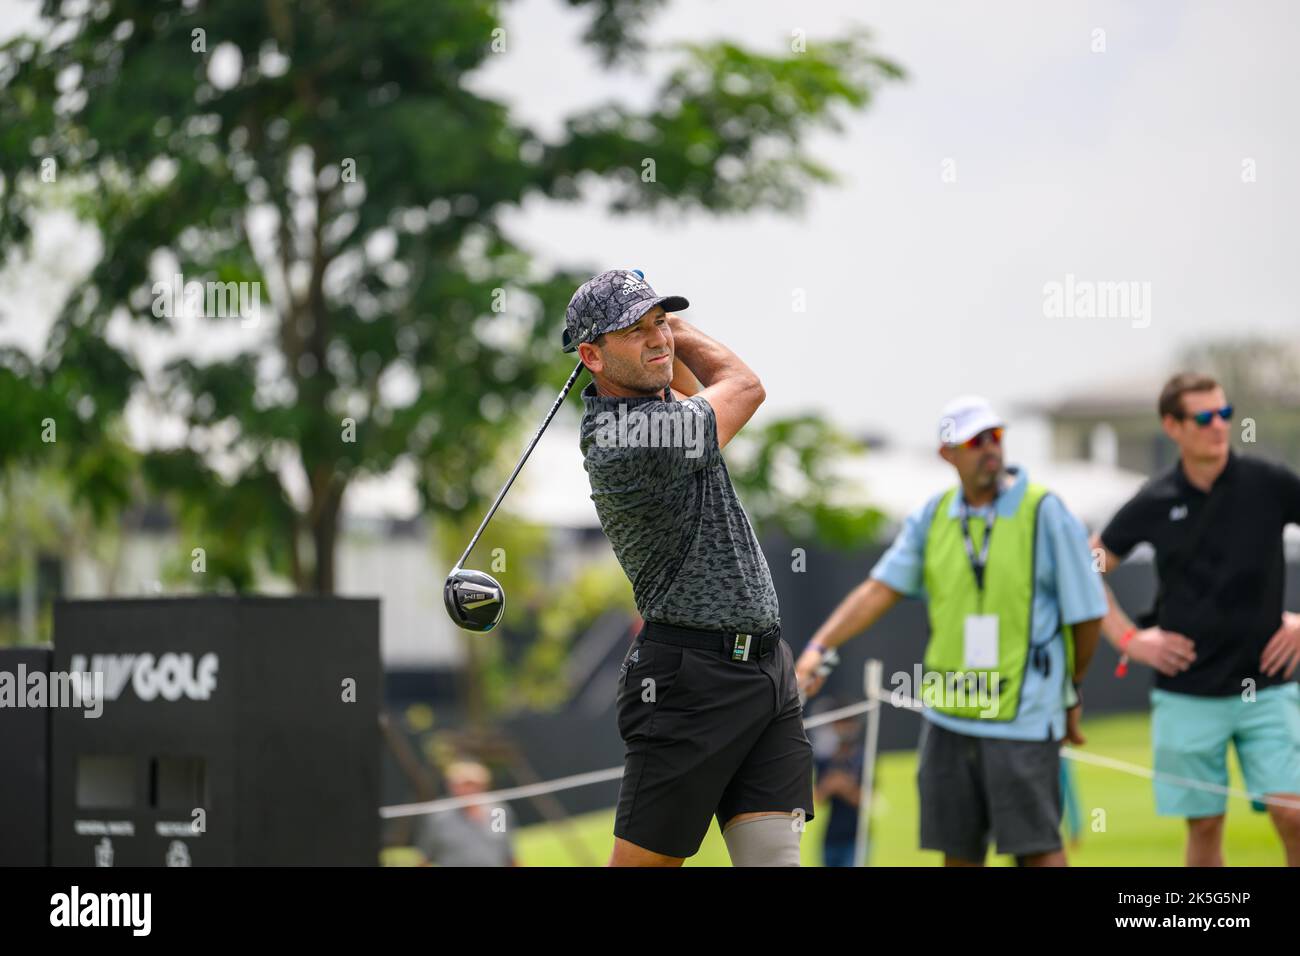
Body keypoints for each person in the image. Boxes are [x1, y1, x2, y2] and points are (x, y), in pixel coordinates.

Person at [796, 396, 1105, 866]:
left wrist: (1072, 691)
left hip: (1023, 714)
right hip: (949, 715)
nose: (990, 449)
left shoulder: (1045, 510)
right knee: (957, 854)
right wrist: (820, 645)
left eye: (995, 437)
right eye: (975, 441)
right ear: (948, 453)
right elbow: (879, 589)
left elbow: (1087, 614)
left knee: (1038, 851)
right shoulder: (933, 516)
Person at [570, 268, 812, 867]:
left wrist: (656, 333)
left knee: (775, 860)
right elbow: (744, 386)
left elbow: (681, 381)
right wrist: (677, 326)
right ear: (590, 356)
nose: (658, 339)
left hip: (764, 670)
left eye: (660, 322)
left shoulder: (659, 406)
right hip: (688, 681)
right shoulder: (631, 437)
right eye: (635, 330)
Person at [1090, 372, 1300, 866]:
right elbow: (1085, 568)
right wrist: (1128, 639)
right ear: (1172, 426)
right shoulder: (1154, 499)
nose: (1218, 426)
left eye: (1224, 414)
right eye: (1203, 418)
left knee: (1292, 814)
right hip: (1187, 690)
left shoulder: (1269, 484)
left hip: (1265, 684)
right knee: (1204, 825)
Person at [414, 761, 517, 867]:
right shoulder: (439, 816)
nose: (466, 790)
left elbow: (508, 852)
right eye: (460, 785)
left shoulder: (498, 811)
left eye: (472, 785)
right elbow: (425, 856)